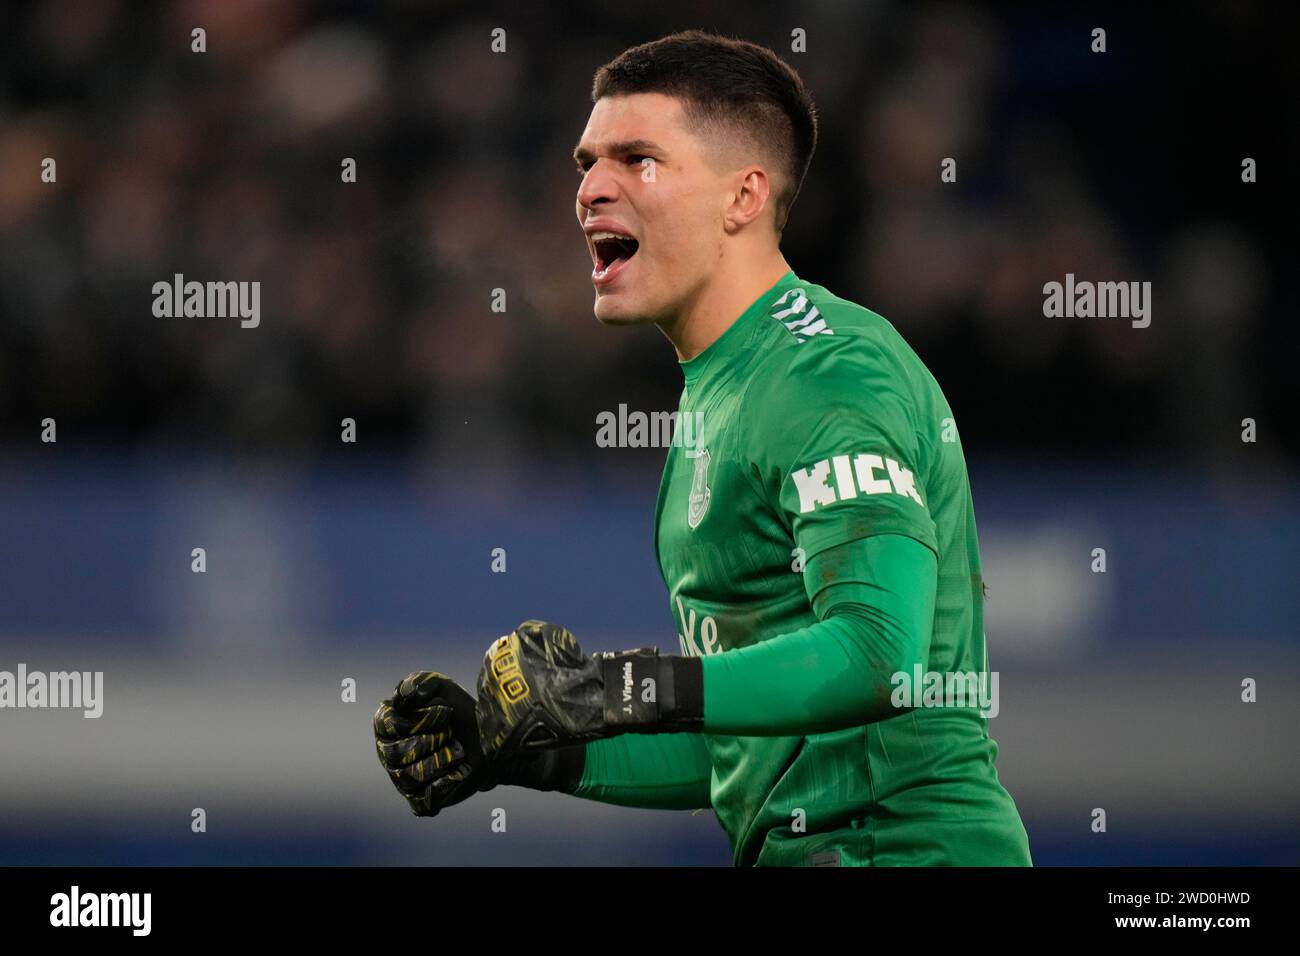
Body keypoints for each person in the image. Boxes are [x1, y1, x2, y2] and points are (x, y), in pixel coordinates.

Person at [374, 29, 1031, 867]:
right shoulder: (720, 393)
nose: (591, 190)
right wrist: (527, 749)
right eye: (586, 163)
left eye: (637, 159)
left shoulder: (827, 374)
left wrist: (632, 688)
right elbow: (739, 745)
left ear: (743, 198)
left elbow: (878, 654)